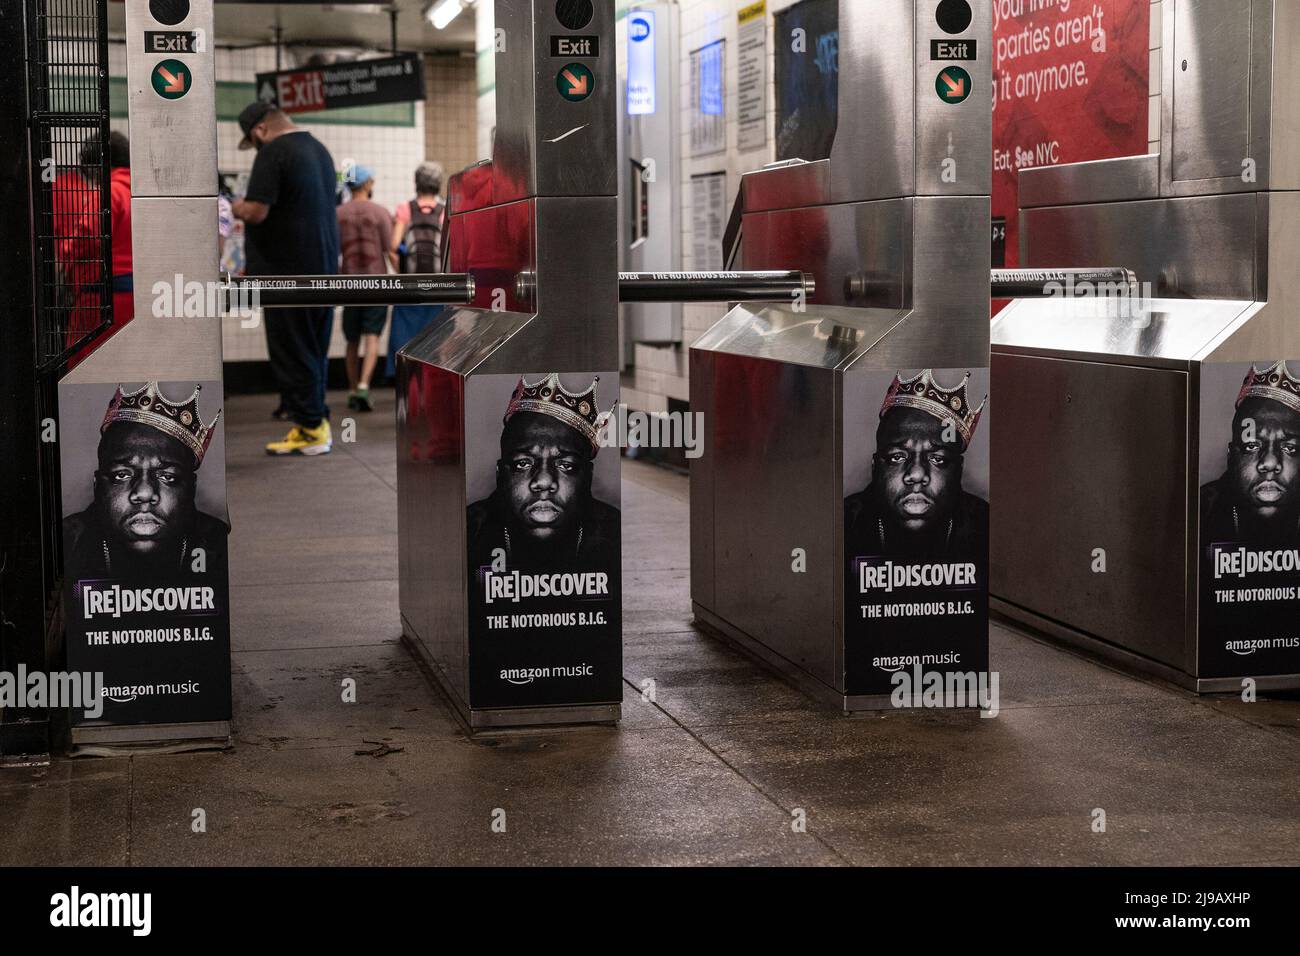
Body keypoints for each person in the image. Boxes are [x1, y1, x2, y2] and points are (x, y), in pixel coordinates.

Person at [231, 101, 340, 456]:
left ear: (260, 130)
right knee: (313, 348)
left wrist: (233, 206)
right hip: (322, 267)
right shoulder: (320, 150)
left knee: (291, 349)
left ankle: (311, 428)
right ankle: (316, 420)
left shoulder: (274, 152)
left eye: (253, 140)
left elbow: (257, 211)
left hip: (286, 273)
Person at [63, 382, 227, 581]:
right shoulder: (68, 541)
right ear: (97, 486)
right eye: (122, 475)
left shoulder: (215, 541)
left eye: (167, 476)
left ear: (191, 488)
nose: (144, 493)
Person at [467, 374, 619, 574]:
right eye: (523, 463)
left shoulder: (614, 533)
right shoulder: (468, 532)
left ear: (588, 477)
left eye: (565, 465)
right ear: (500, 475)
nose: (544, 481)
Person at [845, 369, 988, 561]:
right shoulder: (842, 523)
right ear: (875, 467)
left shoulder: (986, 525)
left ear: (958, 470)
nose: (917, 474)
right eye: (897, 457)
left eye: (938, 459)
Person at [1201, 361, 1300, 546]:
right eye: (1252, 445)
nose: (1270, 463)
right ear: (1230, 457)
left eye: (1290, 448)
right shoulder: (1198, 513)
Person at [337, 164, 397, 412]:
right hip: (376, 283)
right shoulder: (380, 212)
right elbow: (390, 250)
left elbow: (334, 251)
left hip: (349, 283)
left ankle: (352, 389)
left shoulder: (337, 214)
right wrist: (407, 277)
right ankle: (364, 385)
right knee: (372, 337)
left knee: (351, 340)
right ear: (365, 184)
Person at [387, 161, 448, 377]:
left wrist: (403, 274)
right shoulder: (444, 211)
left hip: (410, 287)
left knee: (406, 338)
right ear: (438, 184)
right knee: (437, 337)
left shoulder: (405, 208)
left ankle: (407, 379)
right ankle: (435, 378)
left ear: (416, 183)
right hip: (438, 288)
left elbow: (393, 247)